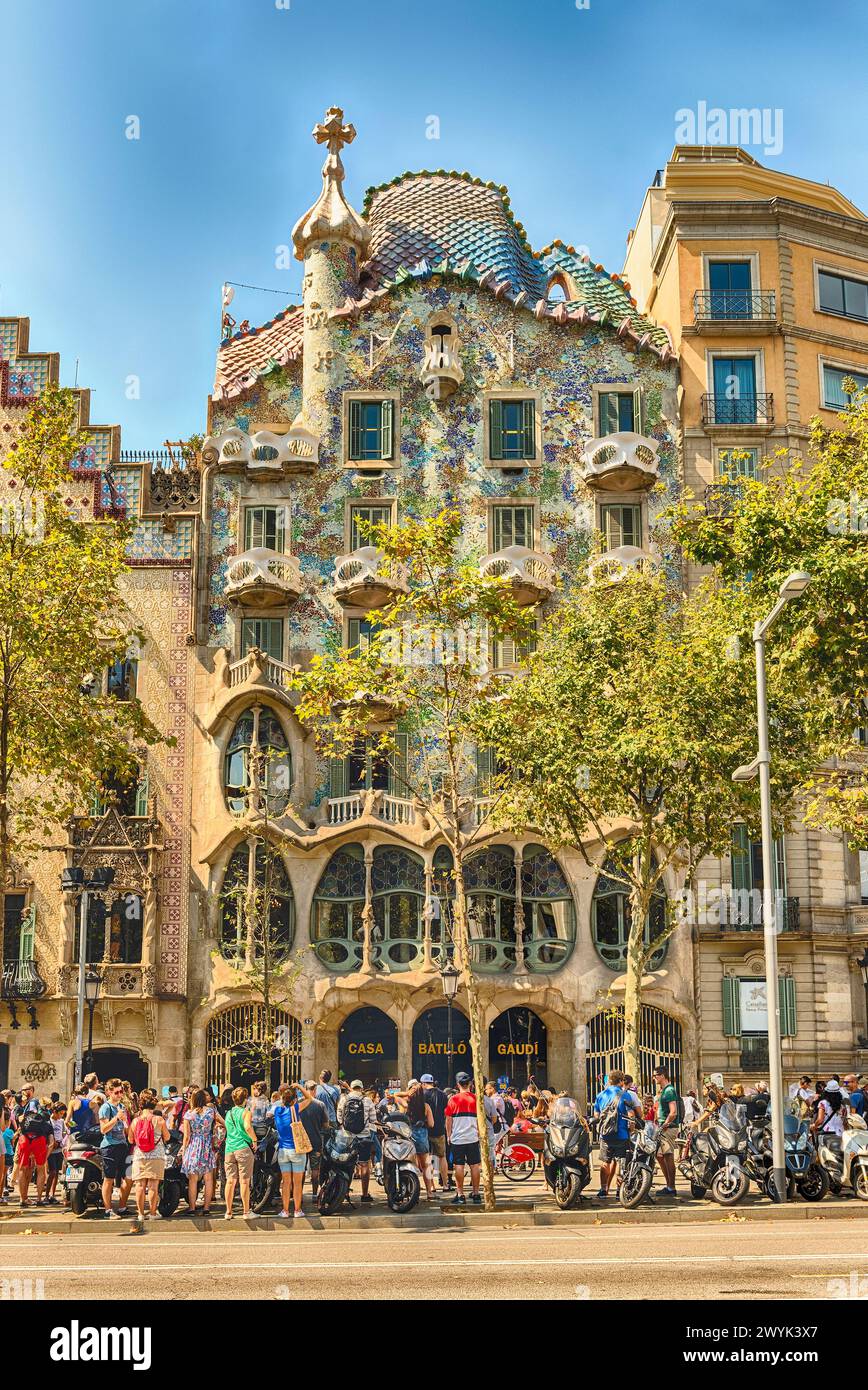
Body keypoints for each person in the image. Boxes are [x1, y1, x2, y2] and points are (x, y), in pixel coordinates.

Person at [594, 1071, 643, 1199]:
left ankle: (603, 1189)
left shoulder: (600, 1095)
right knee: (621, 1162)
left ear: (609, 1081)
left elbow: (596, 1116)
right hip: (622, 1134)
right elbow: (631, 1115)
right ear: (621, 1081)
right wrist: (631, 1131)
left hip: (605, 1135)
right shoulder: (625, 1095)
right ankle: (618, 1190)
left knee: (605, 1162)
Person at [272, 1084, 316, 1218]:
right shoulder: (295, 1109)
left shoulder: (277, 1111)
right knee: (297, 1183)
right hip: (297, 1150)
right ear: (294, 1100)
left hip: (283, 1151)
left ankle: (285, 1210)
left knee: (286, 1183)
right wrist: (299, 1087)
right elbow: (310, 1098)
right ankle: (297, 1210)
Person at [129, 1098, 171, 1224]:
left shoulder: (135, 1121)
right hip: (156, 1155)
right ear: (153, 1106)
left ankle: (141, 1214)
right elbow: (167, 1136)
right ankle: (152, 1213)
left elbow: (131, 1140)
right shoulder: (159, 1120)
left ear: (141, 1106)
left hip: (139, 1155)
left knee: (140, 1185)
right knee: (153, 1185)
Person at [181, 1088, 223, 1215]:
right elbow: (225, 1123)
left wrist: (184, 1151)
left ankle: (192, 1207)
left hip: (194, 1145)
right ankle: (206, 1208)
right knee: (208, 1179)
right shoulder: (211, 1111)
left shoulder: (189, 1114)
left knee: (193, 1180)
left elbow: (187, 1136)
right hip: (207, 1145)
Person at [337, 1080, 377, 1204]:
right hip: (363, 1137)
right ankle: (364, 1194)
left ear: (352, 1087)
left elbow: (339, 1117)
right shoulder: (367, 1100)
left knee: (346, 1164)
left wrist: (344, 1125)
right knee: (364, 1164)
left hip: (347, 1137)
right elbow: (373, 1119)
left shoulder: (344, 1099)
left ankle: (345, 1192)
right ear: (361, 1088)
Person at [445, 1072, 482, 1206]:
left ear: (457, 1084)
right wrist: (479, 1133)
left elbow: (449, 1120)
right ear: (470, 1084)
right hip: (473, 1137)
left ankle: (460, 1194)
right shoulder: (476, 1099)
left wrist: (449, 1135)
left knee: (458, 1166)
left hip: (458, 1138)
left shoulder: (453, 1099)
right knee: (475, 1165)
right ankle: (476, 1193)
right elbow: (480, 1119)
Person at [98, 1078, 133, 1218]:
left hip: (122, 1145)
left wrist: (126, 1123)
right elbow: (103, 1129)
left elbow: (126, 1130)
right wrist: (116, 1118)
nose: (120, 1094)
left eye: (121, 1092)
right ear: (109, 1092)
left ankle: (122, 1206)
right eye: (117, 1092)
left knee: (129, 1177)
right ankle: (108, 1210)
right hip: (110, 1146)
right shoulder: (105, 1108)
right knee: (109, 1179)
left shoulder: (122, 1107)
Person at [223, 1086, 257, 1219]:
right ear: (245, 1099)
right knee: (244, 1181)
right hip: (243, 1147)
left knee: (230, 1181)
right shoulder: (246, 1112)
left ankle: (228, 1211)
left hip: (229, 1148)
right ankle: (246, 1212)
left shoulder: (229, 1113)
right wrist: (254, 1140)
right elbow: (248, 1127)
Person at [17, 1091, 54, 1208]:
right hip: (39, 1140)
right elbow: (52, 1142)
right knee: (41, 1169)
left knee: (22, 1169)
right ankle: (38, 1199)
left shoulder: (26, 1115)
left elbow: (19, 1129)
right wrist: (45, 1157)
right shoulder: (46, 1120)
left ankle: (23, 1199)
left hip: (24, 1139)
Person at [404, 1080, 436, 1199]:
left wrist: (408, 1093)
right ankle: (429, 1192)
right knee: (426, 1166)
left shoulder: (406, 1105)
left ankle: (412, 1192)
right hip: (422, 1136)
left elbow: (396, 1096)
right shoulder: (426, 1106)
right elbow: (432, 1124)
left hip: (409, 1137)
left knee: (410, 1166)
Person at [653, 1066, 680, 1196]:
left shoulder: (669, 1090)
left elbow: (673, 1112)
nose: (654, 1078)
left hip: (668, 1128)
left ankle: (671, 1187)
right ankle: (669, 1184)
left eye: (655, 1075)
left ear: (662, 1075)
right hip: (663, 1127)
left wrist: (665, 1124)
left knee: (668, 1156)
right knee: (659, 1156)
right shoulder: (664, 1090)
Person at [421, 1073, 451, 1191]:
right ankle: (445, 1185)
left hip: (426, 1130)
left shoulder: (422, 1095)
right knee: (442, 1157)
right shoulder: (443, 1094)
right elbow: (446, 1112)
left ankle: (432, 1186)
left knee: (428, 1158)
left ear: (423, 1083)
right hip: (439, 1129)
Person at [300, 1080, 328, 1201]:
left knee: (300, 1169)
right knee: (315, 1170)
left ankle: (298, 1194)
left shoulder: (299, 1104)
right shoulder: (320, 1105)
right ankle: (314, 1194)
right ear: (315, 1090)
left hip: (301, 1141)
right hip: (316, 1140)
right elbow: (326, 1124)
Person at [46, 1103, 67, 1204]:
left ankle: (52, 1194)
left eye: (63, 1114)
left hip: (59, 1149)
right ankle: (46, 1194)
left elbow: (65, 1132)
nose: (61, 1116)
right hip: (50, 1150)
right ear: (54, 1112)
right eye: (60, 1113)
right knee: (52, 1172)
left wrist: (61, 1141)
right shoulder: (48, 1121)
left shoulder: (62, 1121)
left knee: (56, 1173)